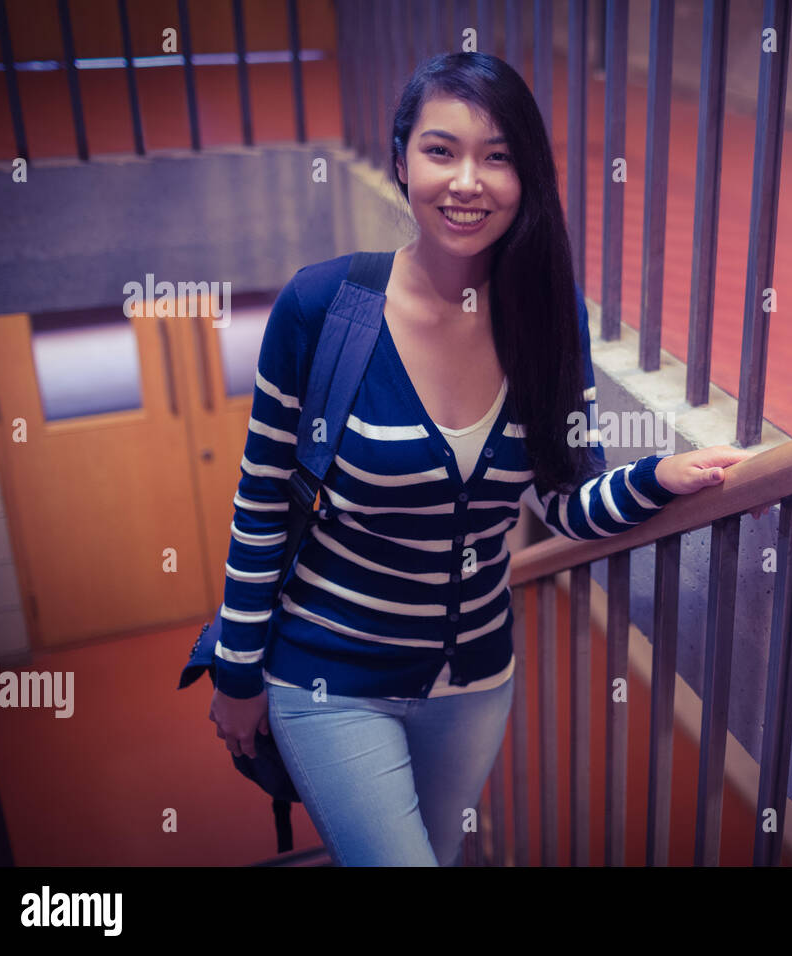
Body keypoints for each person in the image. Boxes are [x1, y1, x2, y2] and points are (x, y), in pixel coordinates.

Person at [208, 51, 759, 866]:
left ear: (525, 175)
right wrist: (237, 673)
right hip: (328, 677)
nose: (469, 181)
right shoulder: (323, 307)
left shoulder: (546, 311)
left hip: (473, 685)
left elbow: (564, 502)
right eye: (442, 151)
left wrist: (659, 478)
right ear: (401, 162)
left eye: (497, 156)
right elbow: (260, 506)